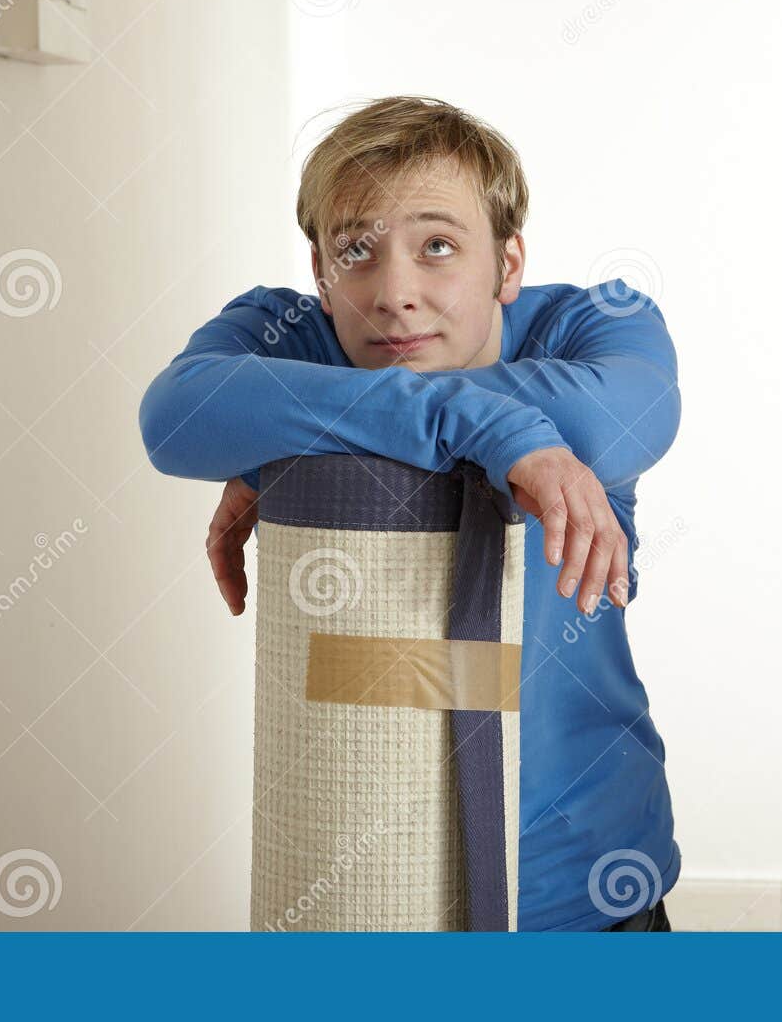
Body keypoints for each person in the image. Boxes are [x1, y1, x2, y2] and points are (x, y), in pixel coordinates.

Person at [138, 95, 680, 931]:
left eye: (437, 246)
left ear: (507, 263)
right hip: (364, 870)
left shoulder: (595, 328)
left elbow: (618, 420)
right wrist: (482, 424)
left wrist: (296, 429)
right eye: (355, 249)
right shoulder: (282, 329)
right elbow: (174, 419)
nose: (394, 294)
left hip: (584, 878)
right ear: (319, 270)